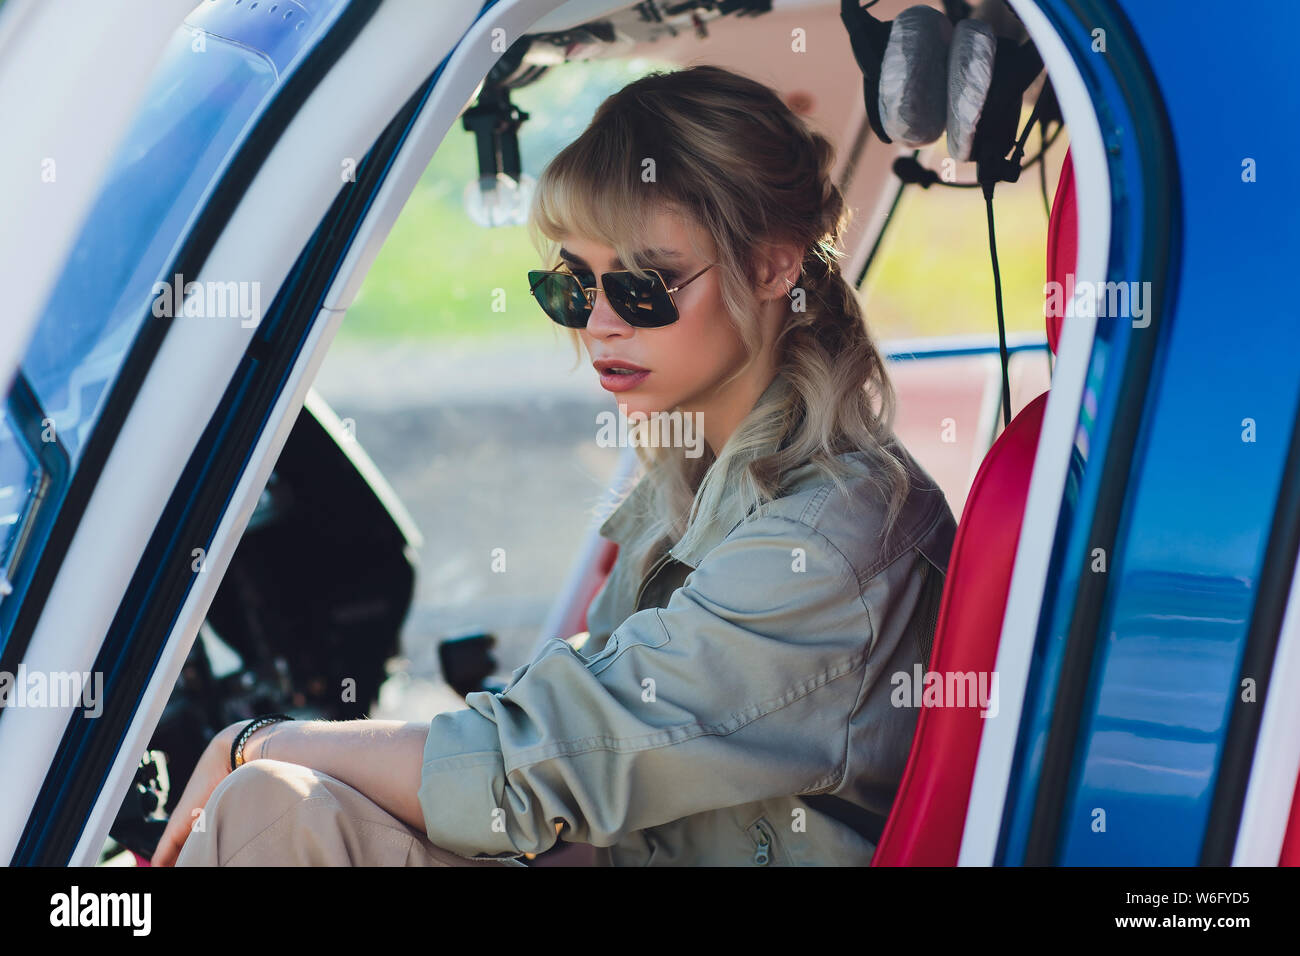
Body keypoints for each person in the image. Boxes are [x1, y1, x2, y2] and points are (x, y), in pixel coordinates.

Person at [154, 63, 955, 868]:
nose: (599, 324)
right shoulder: (694, 477)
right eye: (573, 285)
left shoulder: (824, 542)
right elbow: (569, 763)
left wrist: (250, 741)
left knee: (263, 794)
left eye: (644, 284)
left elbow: (537, 776)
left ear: (774, 268)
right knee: (275, 809)